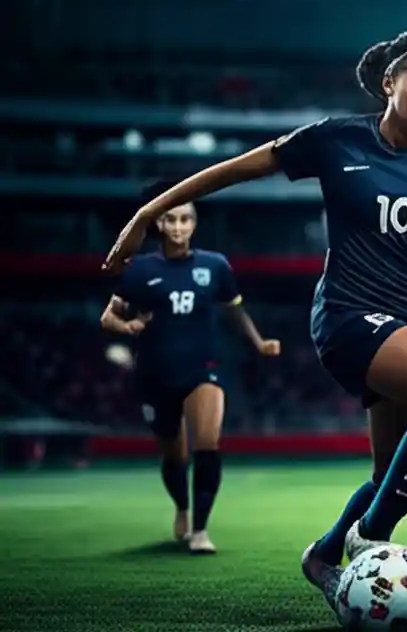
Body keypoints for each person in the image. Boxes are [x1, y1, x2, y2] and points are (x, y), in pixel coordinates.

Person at [102, 30, 407, 607]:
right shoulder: (337, 140)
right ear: (391, 85)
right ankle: (372, 537)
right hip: (346, 317)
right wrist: (148, 211)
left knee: (388, 477)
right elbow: (234, 170)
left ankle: (326, 553)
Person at [101, 199, 280, 554]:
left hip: (204, 368)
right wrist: (129, 325)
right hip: (155, 372)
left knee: (208, 445)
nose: (179, 226)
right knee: (175, 457)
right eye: (171, 220)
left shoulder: (215, 266)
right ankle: (182, 506)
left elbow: (235, 310)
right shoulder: (139, 270)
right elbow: (107, 317)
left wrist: (259, 343)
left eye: (185, 219)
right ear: (159, 225)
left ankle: (200, 529)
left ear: (194, 225)